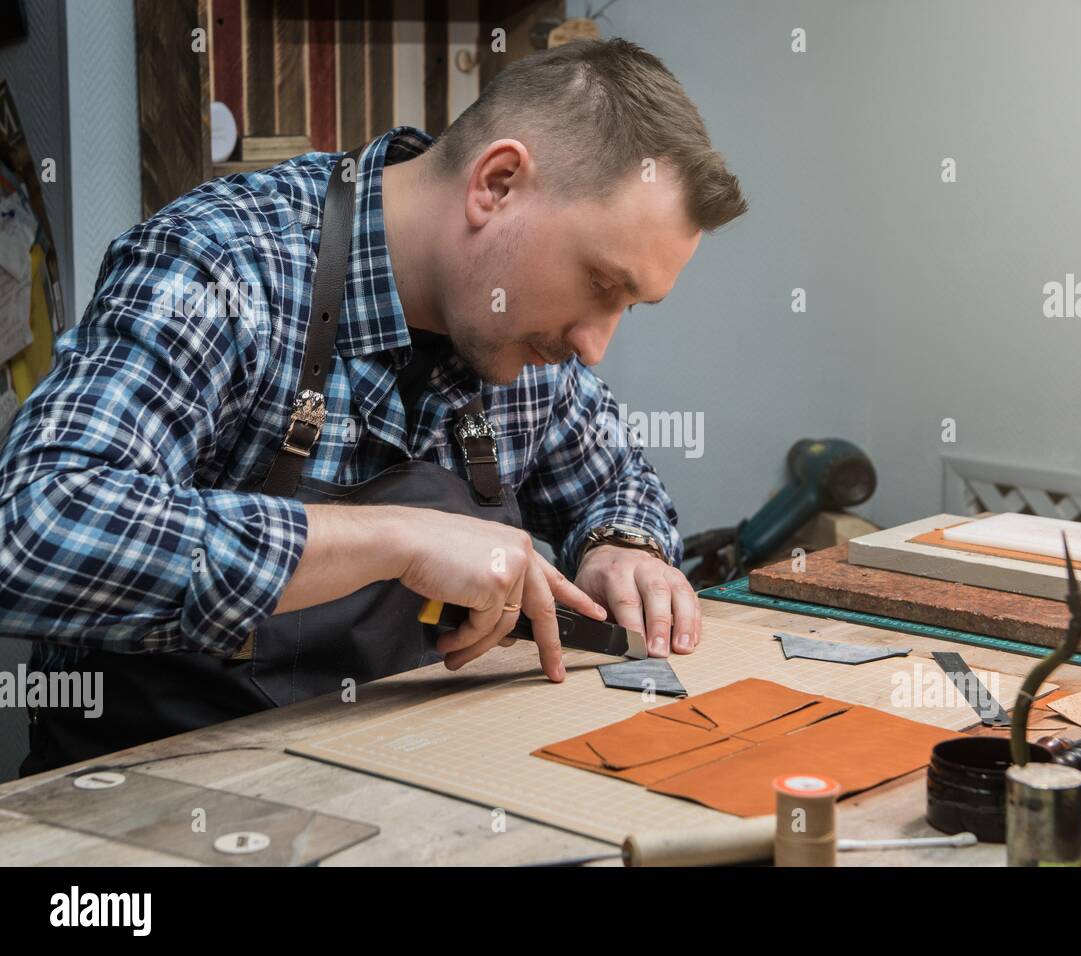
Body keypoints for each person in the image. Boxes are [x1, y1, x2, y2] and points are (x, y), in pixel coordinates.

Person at [0, 38, 748, 772]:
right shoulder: (223, 265)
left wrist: (624, 546)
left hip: (403, 778)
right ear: (497, 185)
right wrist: (393, 539)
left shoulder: (523, 340)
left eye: (631, 306)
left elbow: (617, 481)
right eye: (600, 283)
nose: (595, 345)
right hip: (153, 799)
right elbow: (34, 528)